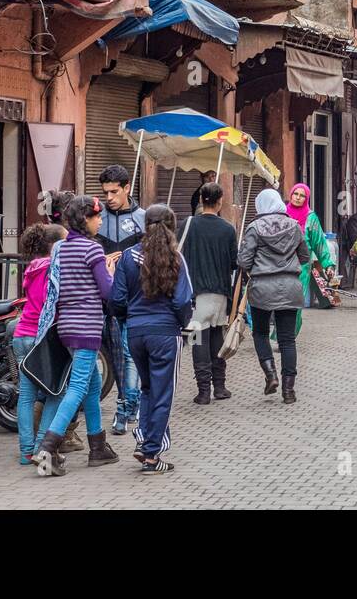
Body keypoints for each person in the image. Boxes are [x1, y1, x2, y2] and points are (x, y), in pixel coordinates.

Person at [33, 195, 120, 477]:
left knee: (92, 385)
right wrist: (109, 271)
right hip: (87, 326)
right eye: (97, 217)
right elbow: (107, 293)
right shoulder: (92, 250)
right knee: (79, 387)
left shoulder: (60, 249)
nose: (100, 221)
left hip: (65, 326)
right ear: (86, 220)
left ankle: (98, 446)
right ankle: (48, 447)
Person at [111, 204, 194, 475]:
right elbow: (183, 300)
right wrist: (183, 325)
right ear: (172, 226)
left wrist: (129, 319)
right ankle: (151, 453)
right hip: (165, 334)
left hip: (135, 333)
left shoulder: (127, 257)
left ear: (143, 225)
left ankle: (143, 439)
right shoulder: (176, 259)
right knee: (163, 394)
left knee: (147, 389)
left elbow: (117, 300)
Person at [238, 189, 311, 402]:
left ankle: (270, 374)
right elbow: (305, 256)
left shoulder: (254, 227)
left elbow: (244, 261)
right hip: (290, 288)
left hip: (262, 289)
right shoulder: (294, 226)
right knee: (287, 339)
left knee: (260, 333)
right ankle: (289, 391)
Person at [12, 221, 66, 465]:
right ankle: (41, 446)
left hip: (21, 335)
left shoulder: (31, 268)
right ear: (54, 246)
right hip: (40, 339)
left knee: (26, 397)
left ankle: (25, 452)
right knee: (55, 392)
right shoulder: (51, 268)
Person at [97, 163, 144, 437]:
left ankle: (126, 407)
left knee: (128, 354)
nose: (110, 197)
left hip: (132, 299)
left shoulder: (142, 218)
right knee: (108, 356)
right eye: (106, 193)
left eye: (114, 191)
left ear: (127, 188)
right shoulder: (96, 217)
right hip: (101, 299)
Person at [179, 181, 236, 406]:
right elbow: (234, 263)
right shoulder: (228, 229)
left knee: (197, 339)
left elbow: (178, 253)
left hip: (195, 293)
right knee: (216, 336)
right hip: (221, 292)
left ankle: (203, 391)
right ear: (220, 201)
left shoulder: (187, 224)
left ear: (201, 200)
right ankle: (219, 387)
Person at [287, 182, 338, 308]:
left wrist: (328, 265)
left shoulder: (311, 218)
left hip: (301, 267)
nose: (298, 197)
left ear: (307, 199)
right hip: (282, 264)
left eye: (302, 196)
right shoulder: (283, 214)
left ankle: (291, 328)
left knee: (296, 303)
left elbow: (319, 244)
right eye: (295, 194)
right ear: (291, 195)